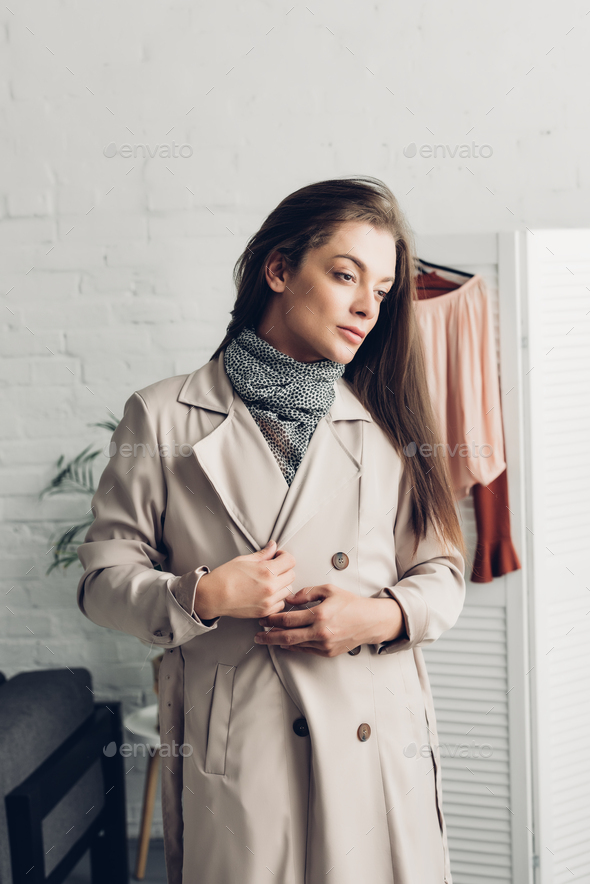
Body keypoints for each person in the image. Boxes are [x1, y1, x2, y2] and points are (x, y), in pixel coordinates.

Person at [76, 175, 466, 884]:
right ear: (279, 269)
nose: (364, 307)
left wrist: (374, 615)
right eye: (345, 275)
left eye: (379, 291)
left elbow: (443, 576)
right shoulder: (161, 417)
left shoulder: (391, 418)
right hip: (241, 750)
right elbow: (102, 583)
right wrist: (202, 595)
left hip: (373, 739)